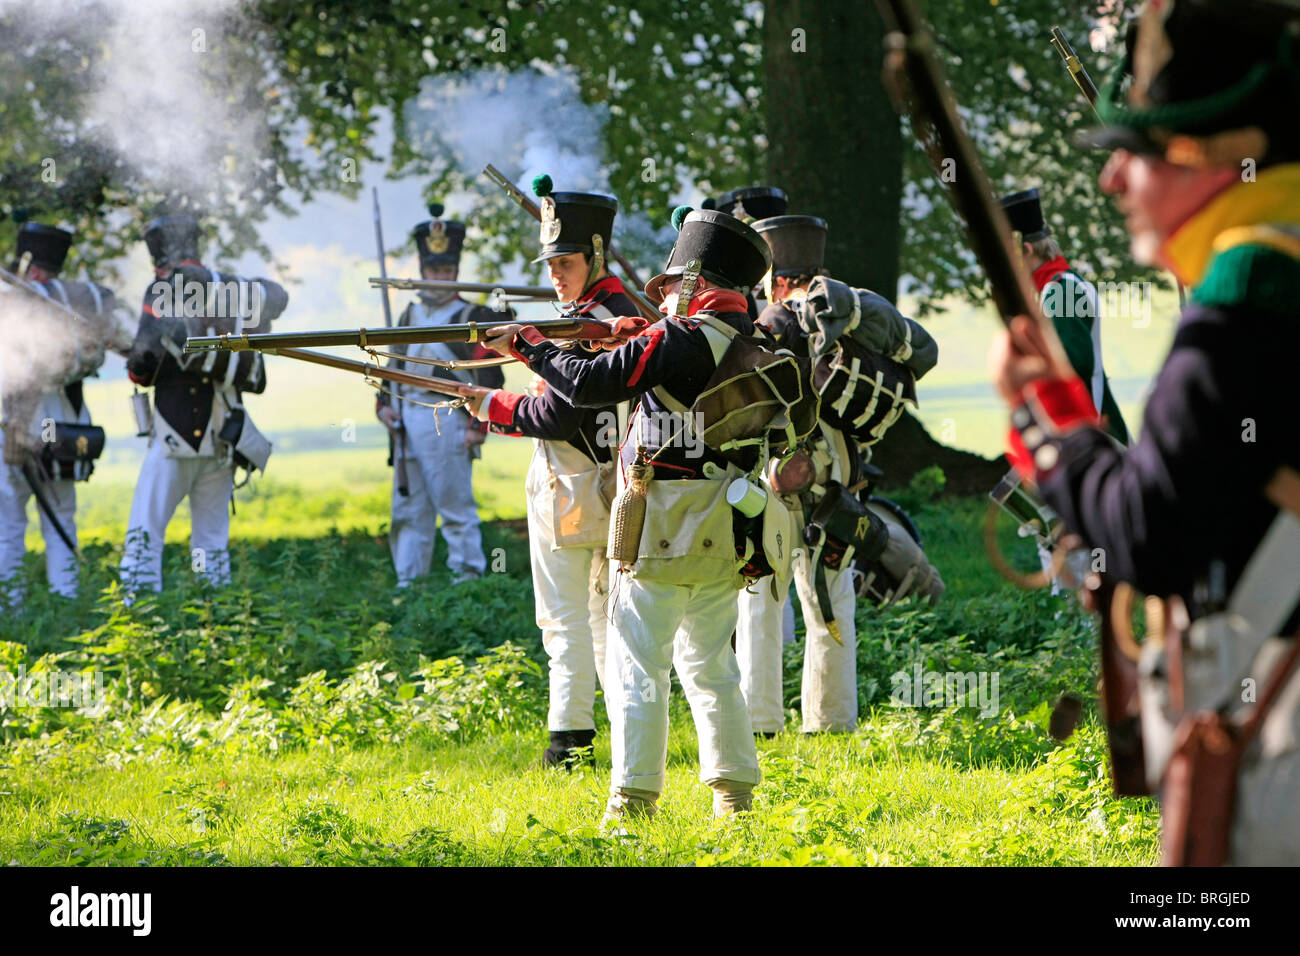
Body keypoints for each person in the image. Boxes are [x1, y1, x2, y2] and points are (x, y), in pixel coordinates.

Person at [990, 0, 1300, 864]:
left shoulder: (1252, 286)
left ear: (1213, 155)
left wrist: (1043, 420)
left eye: (1140, 152)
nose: (1112, 181)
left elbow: (1149, 530)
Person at [483, 207, 774, 819]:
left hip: (662, 522)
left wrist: (528, 346)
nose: (666, 295)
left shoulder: (680, 340)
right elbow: (645, 368)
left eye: (674, 286)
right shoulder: (751, 340)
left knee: (638, 665)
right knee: (713, 664)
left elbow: (585, 387)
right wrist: (633, 339)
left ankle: (633, 800)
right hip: (726, 524)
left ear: (696, 283)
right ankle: (733, 795)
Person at [468, 180, 641, 768]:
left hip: (575, 488)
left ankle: (567, 744)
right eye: (551, 264)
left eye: (565, 263)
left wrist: (491, 407)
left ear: (595, 255)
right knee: (597, 622)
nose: (555, 277)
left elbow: (560, 416)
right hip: (607, 486)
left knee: (566, 621)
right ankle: (616, 742)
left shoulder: (600, 322)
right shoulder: (613, 314)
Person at [735, 214, 859, 734]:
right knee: (834, 601)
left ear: (780, 278)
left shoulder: (774, 320)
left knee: (761, 598)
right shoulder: (848, 319)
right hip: (838, 479)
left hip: (782, 478)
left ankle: (760, 720)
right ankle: (831, 722)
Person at [121, 211, 287, 595]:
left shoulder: (162, 289)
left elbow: (142, 367)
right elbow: (273, 305)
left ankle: (137, 614)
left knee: (144, 533)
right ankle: (216, 613)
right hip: (226, 436)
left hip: (175, 435)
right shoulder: (230, 288)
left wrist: (134, 362)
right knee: (211, 542)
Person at [376, 204, 505, 586]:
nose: (438, 278)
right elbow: (389, 369)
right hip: (404, 418)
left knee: (454, 505)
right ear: (422, 270)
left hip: (450, 419)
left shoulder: (474, 314)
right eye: (433, 270)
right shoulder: (407, 316)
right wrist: (383, 407)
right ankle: (409, 580)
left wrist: (478, 426)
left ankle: (467, 578)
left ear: (455, 271)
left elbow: (489, 374)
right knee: (409, 507)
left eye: (446, 271)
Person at [1, 221, 128, 604]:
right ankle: (67, 601)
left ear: (32, 269)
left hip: (21, 423)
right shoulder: (74, 304)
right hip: (65, 424)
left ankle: (11, 608)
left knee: (8, 522)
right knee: (60, 515)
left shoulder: (19, 305)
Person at [998, 188, 1129, 444]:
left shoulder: (1060, 290)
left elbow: (1074, 363)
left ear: (1026, 250)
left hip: (1089, 428)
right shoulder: (1055, 287)